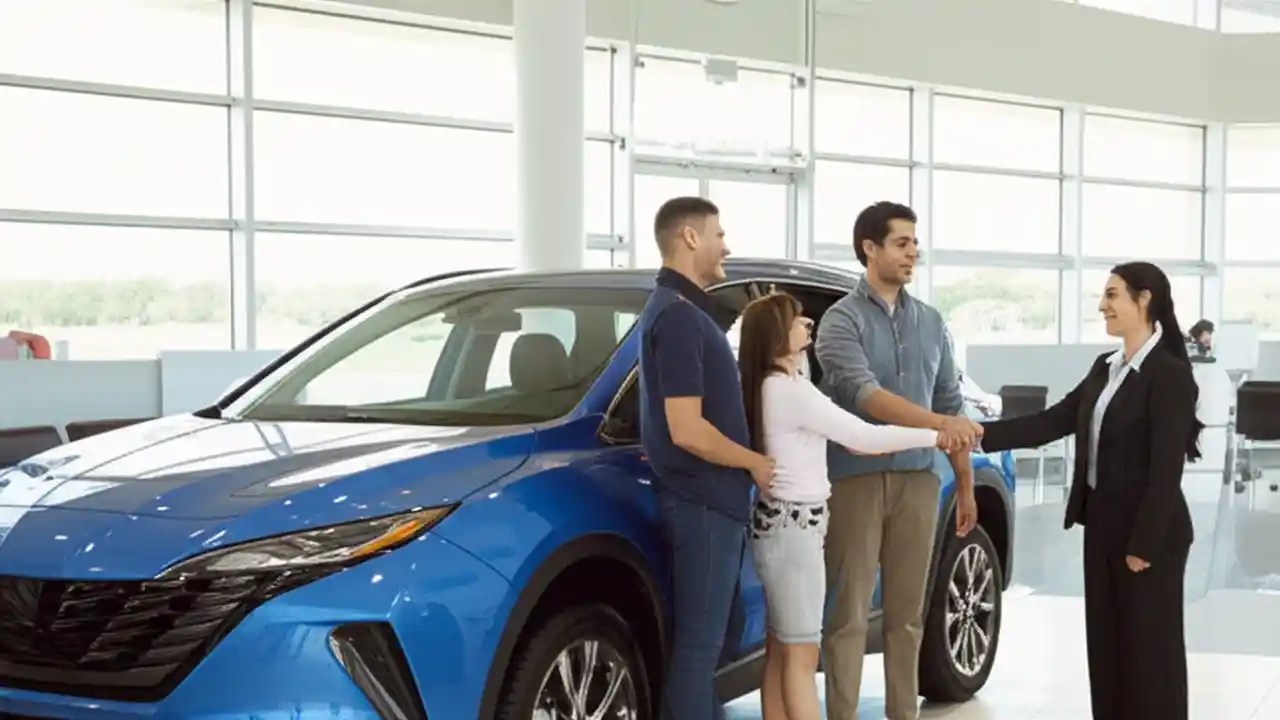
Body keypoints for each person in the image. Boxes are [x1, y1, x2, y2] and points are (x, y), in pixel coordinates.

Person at [977, 261, 1203, 720]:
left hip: (1150, 535)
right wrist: (977, 434)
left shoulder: (1170, 372)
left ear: (1145, 300)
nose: (1102, 305)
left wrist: (1144, 544)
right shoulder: (1106, 367)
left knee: (1150, 659)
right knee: (1107, 651)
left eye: (1113, 295)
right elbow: (1052, 422)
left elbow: (1166, 471)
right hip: (1102, 525)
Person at [737, 291, 968, 720]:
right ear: (776, 336)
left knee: (781, 650)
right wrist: (935, 434)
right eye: (796, 320)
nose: (806, 325)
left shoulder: (771, 387)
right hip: (796, 532)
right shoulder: (790, 392)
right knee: (803, 657)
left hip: (777, 529)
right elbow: (865, 439)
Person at [814, 201, 982, 720]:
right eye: (902, 242)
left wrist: (966, 485)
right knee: (847, 614)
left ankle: (902, 714)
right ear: (870, 248)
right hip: (854, 481)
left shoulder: (930, 321)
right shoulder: (840, 321)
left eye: (915, 242)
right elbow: (864, 395)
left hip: (919, 483)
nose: (914, 252)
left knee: (907, 616)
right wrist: (936, 425)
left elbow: (950, 402)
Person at [636, 196, 775, 720]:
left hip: (713, 501)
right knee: (696, 651)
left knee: (720, 635)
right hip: (703, 500)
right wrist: (753, 462)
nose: (727, 245)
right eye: (719, 234)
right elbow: (687, 428)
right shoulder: (678, 319)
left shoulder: (683, 312)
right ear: (690, 237)